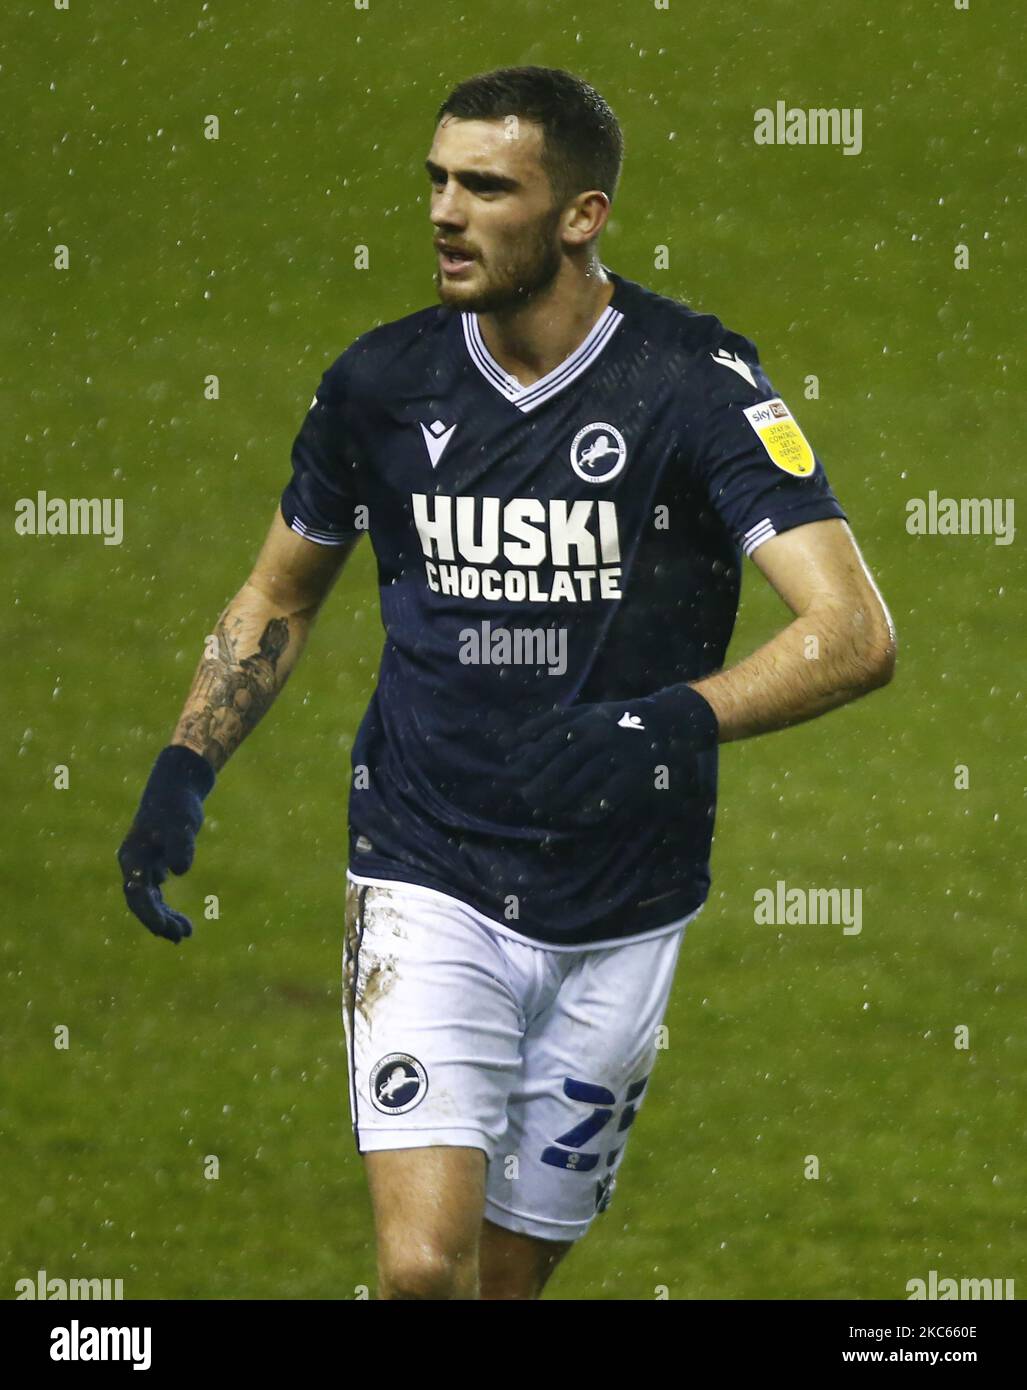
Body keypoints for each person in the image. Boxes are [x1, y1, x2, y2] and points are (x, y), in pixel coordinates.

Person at [118, 66, 896, 1300]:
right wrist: (184, 764)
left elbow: (853, 631)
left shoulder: (690, 382)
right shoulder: (381, 385)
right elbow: (281, 592)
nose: (444, 210)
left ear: (580, 216)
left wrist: (664, 721)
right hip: (428, 869)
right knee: (421, 1271)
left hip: (625, 905)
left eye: (487, 186)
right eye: (436, 179)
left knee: (497, 1286)